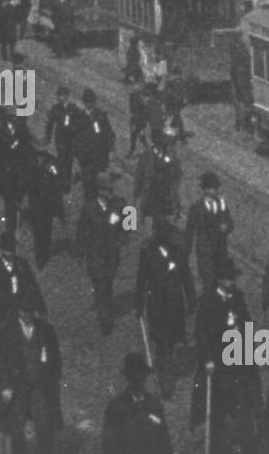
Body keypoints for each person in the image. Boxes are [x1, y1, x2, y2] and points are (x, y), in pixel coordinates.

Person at [191, 261, 262, 454]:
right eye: (228, 278)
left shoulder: (238, 297)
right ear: (220, 280)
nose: (232, 282)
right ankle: (215, 443)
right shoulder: (208, 301)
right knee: (215, 403)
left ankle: (247, 442)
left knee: (245, 399)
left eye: (233, 278)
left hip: (239, 357)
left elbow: (246, 322)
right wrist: (207, 360)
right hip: (217, 360)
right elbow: (201, 333)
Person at [0, 295, 63, 454]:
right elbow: (0, 362)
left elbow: (56, 359)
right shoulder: (7, 331)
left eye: (31, 312)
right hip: (17, 388)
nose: (28, 315)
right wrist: (5, 387)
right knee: (16, 431)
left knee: (44, 426)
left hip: (40, 387)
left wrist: (52, 381)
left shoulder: (46, 330)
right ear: (18, 311)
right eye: (24, 312)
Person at [134, 219, 195, 400]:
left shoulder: (177, 254)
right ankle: (165, 381)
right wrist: (138, 304)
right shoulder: (148, 254)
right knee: (163, 346)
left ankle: (165, 372)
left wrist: (191, 301)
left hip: (175, 305)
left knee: (171, 341)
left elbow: (186, 277)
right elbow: (141, 279)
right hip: (157, 306)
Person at [101, 352, 175, 454]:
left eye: (140, 378)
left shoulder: (154, 405)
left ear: (145, 378)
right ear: (128, 379)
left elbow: (164, 443)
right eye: (134, 379)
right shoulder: (116, 407)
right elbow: (109, 447)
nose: (138, 384)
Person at [84, 172, 128, 335]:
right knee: (102, 286)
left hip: (112, 254)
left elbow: (130, 221)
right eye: (106, 189)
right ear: (99, 191)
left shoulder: (119, 204)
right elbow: (81, 231)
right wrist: (80, 252)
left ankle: (105, 306)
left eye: (111, 189)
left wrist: (123, 236)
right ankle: (106, 322)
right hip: (95, 255)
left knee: (107, 284)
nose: (110, 192)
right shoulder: (89, 208)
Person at [185, 171, 234, 299]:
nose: (216, 190)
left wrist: (226, 227)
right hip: (205, 253)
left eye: (216, 188)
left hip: (220, 251)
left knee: (222, 283)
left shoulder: (221, 204)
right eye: (213, 188)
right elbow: (189, 233)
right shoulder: (196, 208)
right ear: (205, 189)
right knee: (208, 282)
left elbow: (230, 223)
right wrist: (185, 254)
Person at [73, 88, 115, 204]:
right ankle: (90, 206)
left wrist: (111, 149)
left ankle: (98, 203)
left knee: (98, 182)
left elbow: (109, 133)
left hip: (100, 155)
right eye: (88, 102)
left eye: (92, 102)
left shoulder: (101, 116)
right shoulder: (79, 117)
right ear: (84, 103)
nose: (90, 105)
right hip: (85, 156)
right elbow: (75, 137)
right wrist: (77, 153)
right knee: (88, 182)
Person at [26, 147, 64, 270]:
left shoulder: (52, 163)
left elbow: (58, 182)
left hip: (48, 203)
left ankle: (45, 253)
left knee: (47, 229)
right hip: (36, 204)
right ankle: (40, 258)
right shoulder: (31, 164)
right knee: (38, 231)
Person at [44, 86, 83, 194]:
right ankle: (61, 183)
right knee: (61, 161)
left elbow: (80, 121)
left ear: (67, 96)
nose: (61, 98)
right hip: (60, 139)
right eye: (60, 96)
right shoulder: (55, 108)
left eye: (63, 96)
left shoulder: (73, 108)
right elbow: (50, 124)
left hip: (71, 139)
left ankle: (67, 186)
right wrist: (47, 137)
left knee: (69, 162)